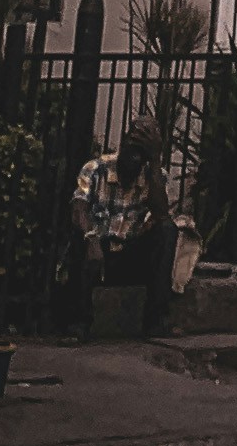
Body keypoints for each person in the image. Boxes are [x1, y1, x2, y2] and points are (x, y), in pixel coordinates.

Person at [70, 113, 177, 334]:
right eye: (132, 146)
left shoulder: (155, 176)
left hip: (130, 254)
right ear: (123, 141)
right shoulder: (96, 169)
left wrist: (155, 159)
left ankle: (156, 322)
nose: (134, 157)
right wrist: (91, 237)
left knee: (167, 230)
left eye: (142, 151)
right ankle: (78, 325)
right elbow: (78, 207)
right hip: (99, 250)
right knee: (80, 242)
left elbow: (161, 213)